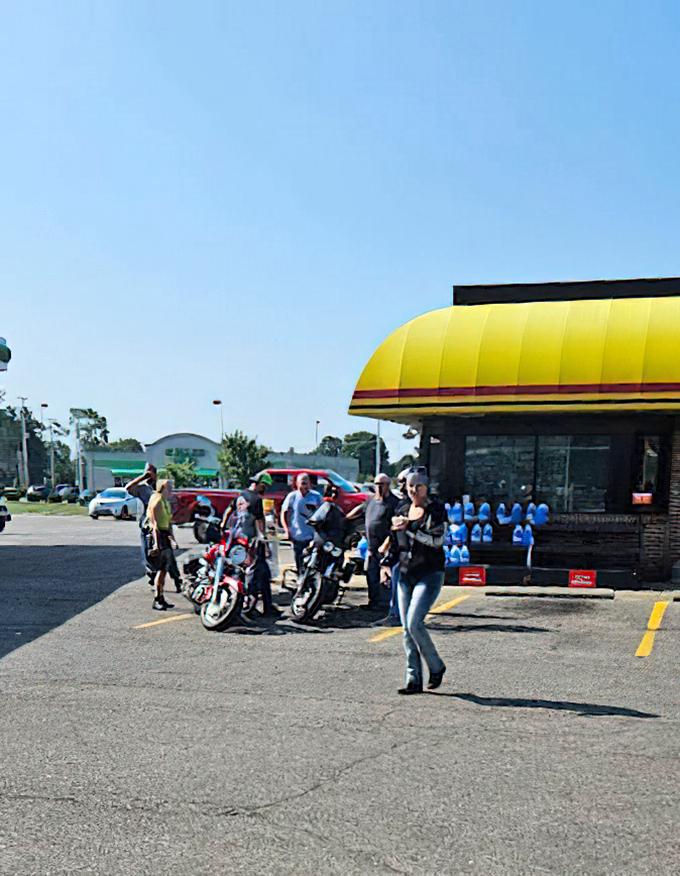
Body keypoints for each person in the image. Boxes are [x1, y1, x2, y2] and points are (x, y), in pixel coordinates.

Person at [383, 470, 447, 695]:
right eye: (409, 486)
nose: (413, 490)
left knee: (414, 623)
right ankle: (413, 678)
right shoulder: (401, 509)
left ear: (427, 487)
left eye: (418, 486)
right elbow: (395, 541)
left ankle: (436, 666)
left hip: (430, 573)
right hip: (405, 573)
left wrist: (409, 529)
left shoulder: (436, 510)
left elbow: (438, 540)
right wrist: (386, 565)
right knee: (406, 629)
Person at [223, 472, 281, 618]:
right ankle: (250, 606)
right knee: (255, 573)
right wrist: (265, 542)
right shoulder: (256, 499)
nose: (265, 489)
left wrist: (223, 526)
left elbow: (229, 511)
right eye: (264, 485)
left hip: (237, 539)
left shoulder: (241, 495)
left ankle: (266, 606)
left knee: (261, 572)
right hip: (251, 542)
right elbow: (260, 522)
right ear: (259, 483)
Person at [363, 473, 399, 615]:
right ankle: (373, 602)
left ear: (388, 485)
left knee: (386, 577)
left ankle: (386, 605)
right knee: (371, 573)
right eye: (377, 484)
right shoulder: (371, 501)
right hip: (371, 547)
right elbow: (360, 512)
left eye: (382, 484)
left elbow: (395, 525)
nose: (379, 487)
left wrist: (388, 543)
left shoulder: (394, 503)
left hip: (386, 547)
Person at [280, 473, 322, 574]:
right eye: (302, 483)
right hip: (297, 535)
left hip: (312, 536)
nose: (304, 486)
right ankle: (300, 580)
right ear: (297, 484)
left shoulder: (316, 497)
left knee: (312, 562)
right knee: (299, 561)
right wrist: (286, 530)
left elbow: (323, 513)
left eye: (306, 483)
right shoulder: (292, 497)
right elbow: (284, 514)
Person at [147, 479, 179, 611]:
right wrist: (156, 544)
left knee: (164, 569)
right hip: (159, 536)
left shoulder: (165, 501)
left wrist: (173, 539)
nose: (171, 490)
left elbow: (168, 523)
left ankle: (160, 597)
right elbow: (154, 523)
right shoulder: (158, 501)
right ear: (162, 488)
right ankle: (157, 598)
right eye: (168, 488)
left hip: (164, 535)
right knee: (161, 569)